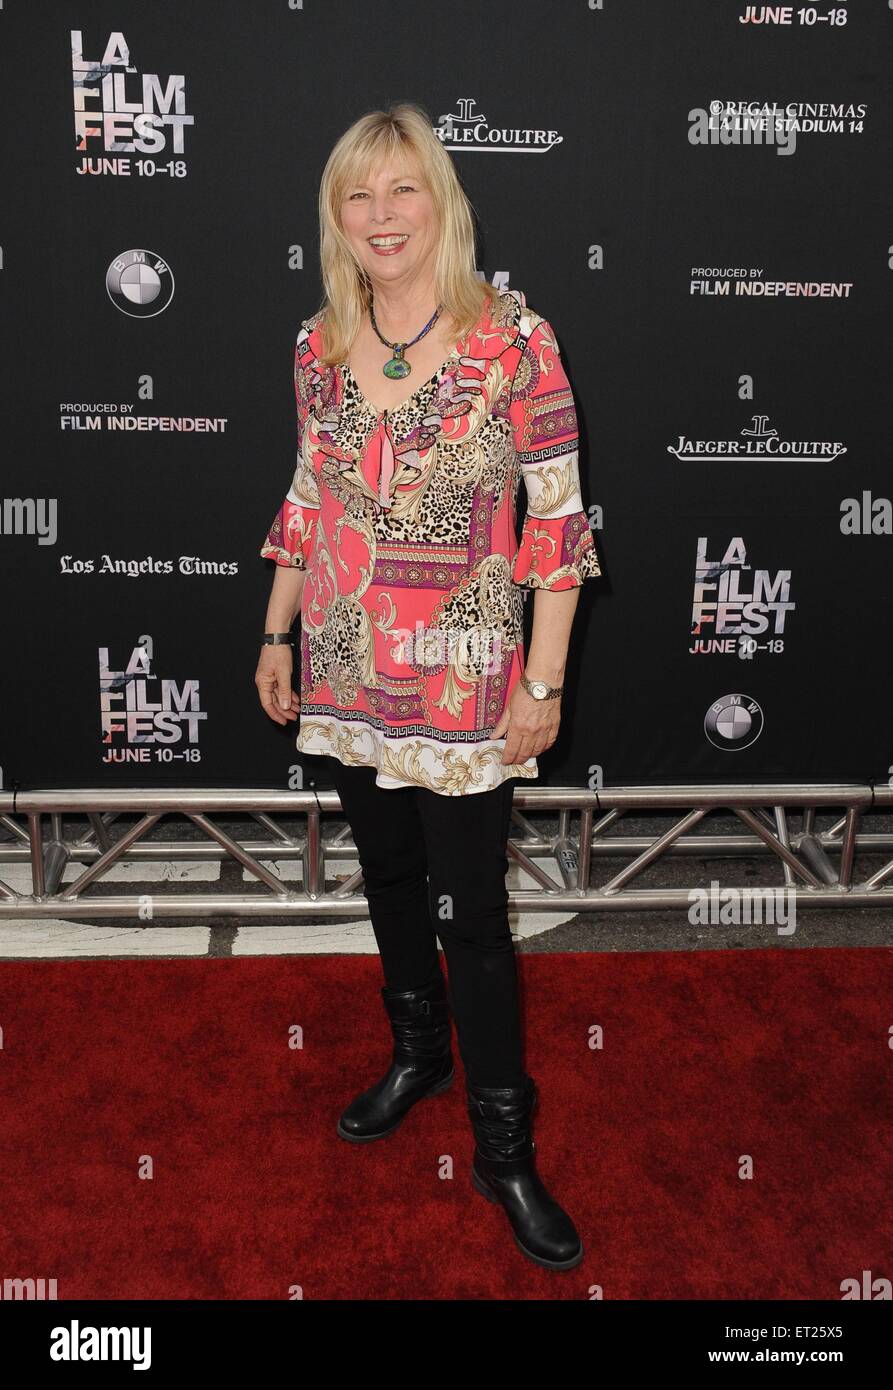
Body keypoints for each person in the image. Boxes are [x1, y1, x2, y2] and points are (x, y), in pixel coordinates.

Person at [255, 102, 601, 1272]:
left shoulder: (514, 341)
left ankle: (504, 1149)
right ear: (335, 219)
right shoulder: (315, 343)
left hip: (462, 677)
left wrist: (540, 679)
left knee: (477, 921)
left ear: (442, 204)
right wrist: (275, 632)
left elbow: (555, 526)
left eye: (403, 191)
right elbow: (311, 492)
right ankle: (418, 1052)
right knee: (388, 873)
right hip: (345, 660)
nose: (380, 216)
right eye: (358, 196)